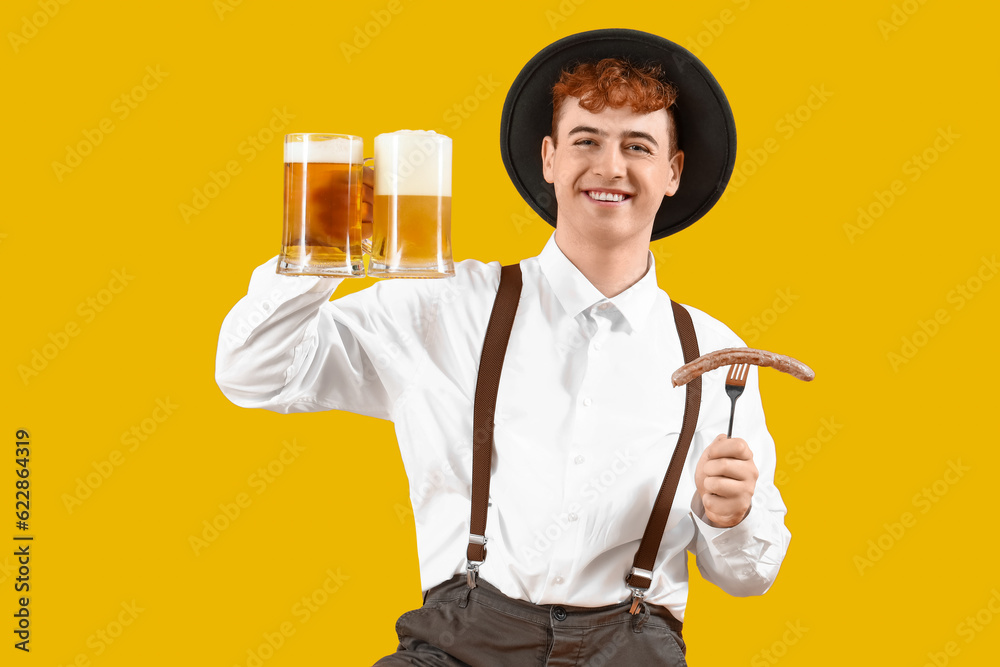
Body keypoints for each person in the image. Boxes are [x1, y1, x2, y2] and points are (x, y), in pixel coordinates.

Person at [216, 29, 790, 666]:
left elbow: (749, 577)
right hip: (459, 646)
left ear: (672, 171)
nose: (609, 167)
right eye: (586, 141)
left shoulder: (716, 355)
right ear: (549, 159)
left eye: (637, 146)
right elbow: (254, 374)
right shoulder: (443, 304)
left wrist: (731, 514)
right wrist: (325, 249)